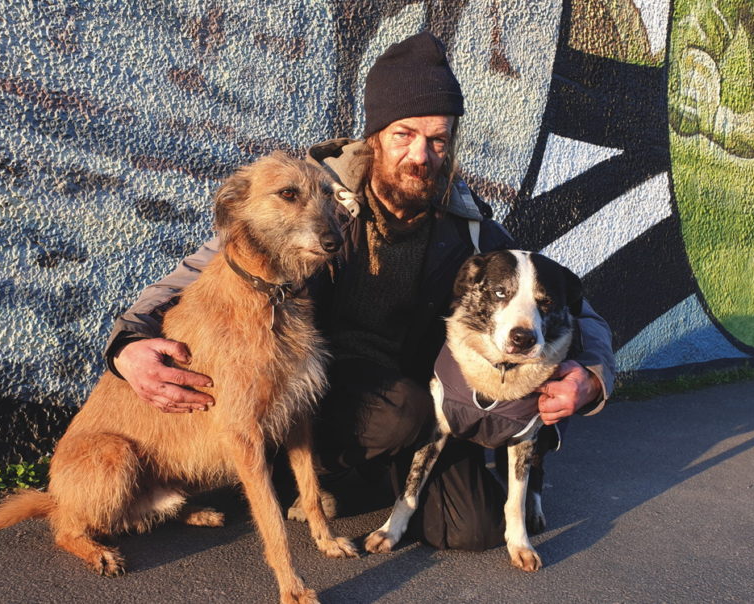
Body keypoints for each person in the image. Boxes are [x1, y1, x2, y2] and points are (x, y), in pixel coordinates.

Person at [103, 31, 615, 551]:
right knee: (401, 410)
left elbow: (577, 308)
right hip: (322, 387)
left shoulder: (470, 229)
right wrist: (126, 346)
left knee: (475, 530)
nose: (422, 155)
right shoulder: (314, 197)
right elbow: (198, 273)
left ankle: (371, 474)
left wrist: (592, 378)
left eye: (438, 140)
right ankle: (291, 473)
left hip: (418, 400)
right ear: (374, 135)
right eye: (404, 135)